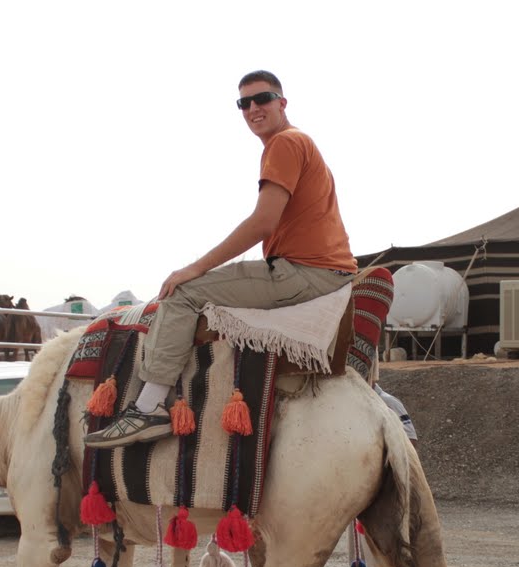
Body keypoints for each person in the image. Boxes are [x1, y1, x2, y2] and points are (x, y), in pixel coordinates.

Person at [86, 71, 357, 448]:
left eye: (262, 98)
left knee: (182, 293)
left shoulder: (285, 143)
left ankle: (148, 408)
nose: (253, 108)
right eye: (244, 103)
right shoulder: (296, 143)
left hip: (303, 272)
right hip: (324, 270)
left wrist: (196, 268)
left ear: (282, 103)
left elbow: (263, 222)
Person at [332, 382, 422, 567]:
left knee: (382, 553)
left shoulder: (389, 402)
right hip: (359, 489)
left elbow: (410, 444)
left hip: (383, 490)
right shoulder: (351, 405)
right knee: (359, 556)